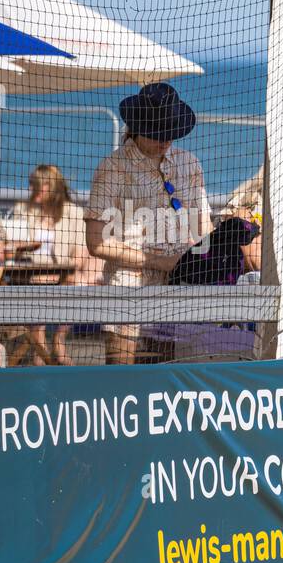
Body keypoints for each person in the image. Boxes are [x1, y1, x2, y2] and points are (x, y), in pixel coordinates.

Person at [85, 82, 211, 364]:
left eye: (170, 132)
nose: (165, 140)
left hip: (178, 286)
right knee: (122, 381)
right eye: (157, 133)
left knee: (167, 378)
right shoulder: (113, 167)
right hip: (127, 288)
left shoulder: (189, 164)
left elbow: (203, 228)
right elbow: (95, 242)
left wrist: (211, 259)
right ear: (138, 127)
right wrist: (159, 261)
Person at [1, 165, 98, 364]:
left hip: (63, 272)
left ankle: (58, 338)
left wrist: (60, 270)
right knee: (40, 288)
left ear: (49, 186)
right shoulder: (23, 209)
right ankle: (39, 347)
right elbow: (12, 243)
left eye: (36, 186)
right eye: (31, 185)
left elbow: (80, 252)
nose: (31, 190)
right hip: (29, 272)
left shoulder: (73, 213)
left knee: (73, 282)